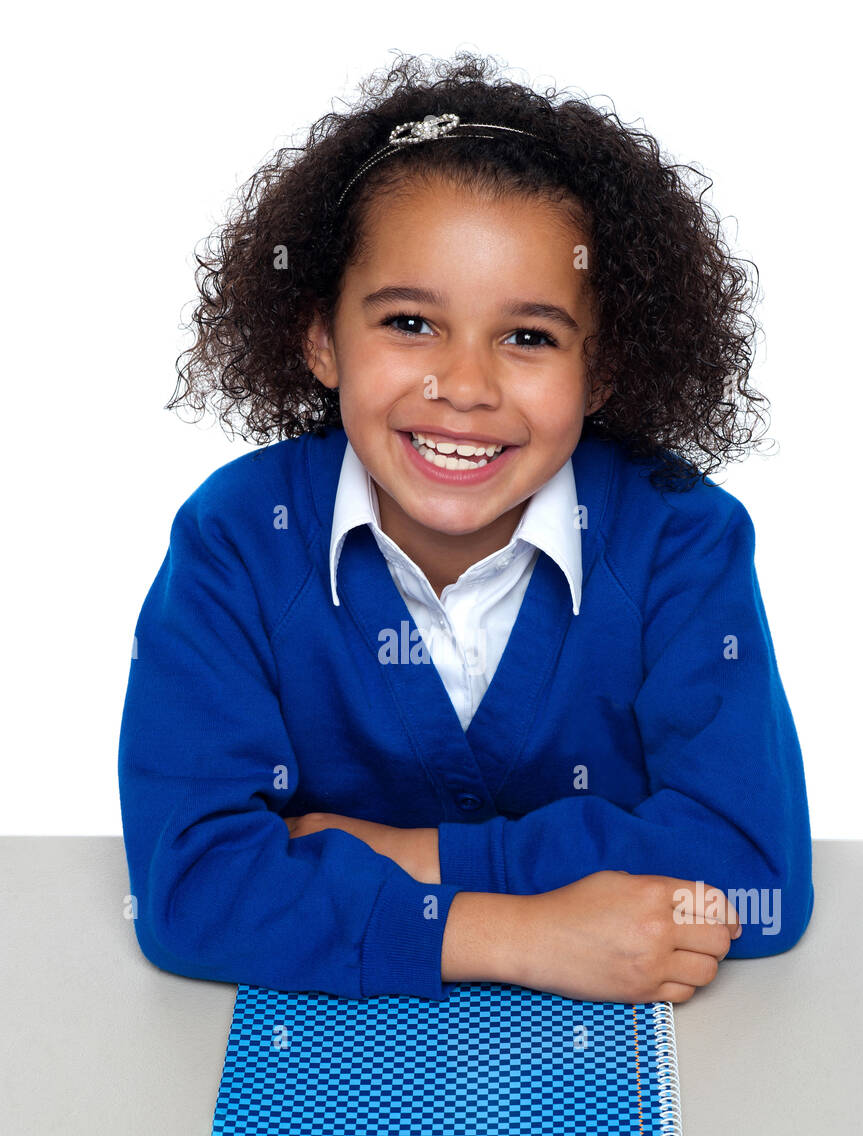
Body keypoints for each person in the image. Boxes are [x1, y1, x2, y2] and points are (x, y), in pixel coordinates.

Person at [118, 51, 814, 1006]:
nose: (466, 387)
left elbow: (752, 876)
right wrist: (518, 935)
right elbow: (190, 886)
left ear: (600, 370)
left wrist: (413, 854)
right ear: (321, 338)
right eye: (409, 322)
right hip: (312, 1080)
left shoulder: (680, 541)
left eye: (528, 337)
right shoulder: (240, 537)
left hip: (629, 1077)